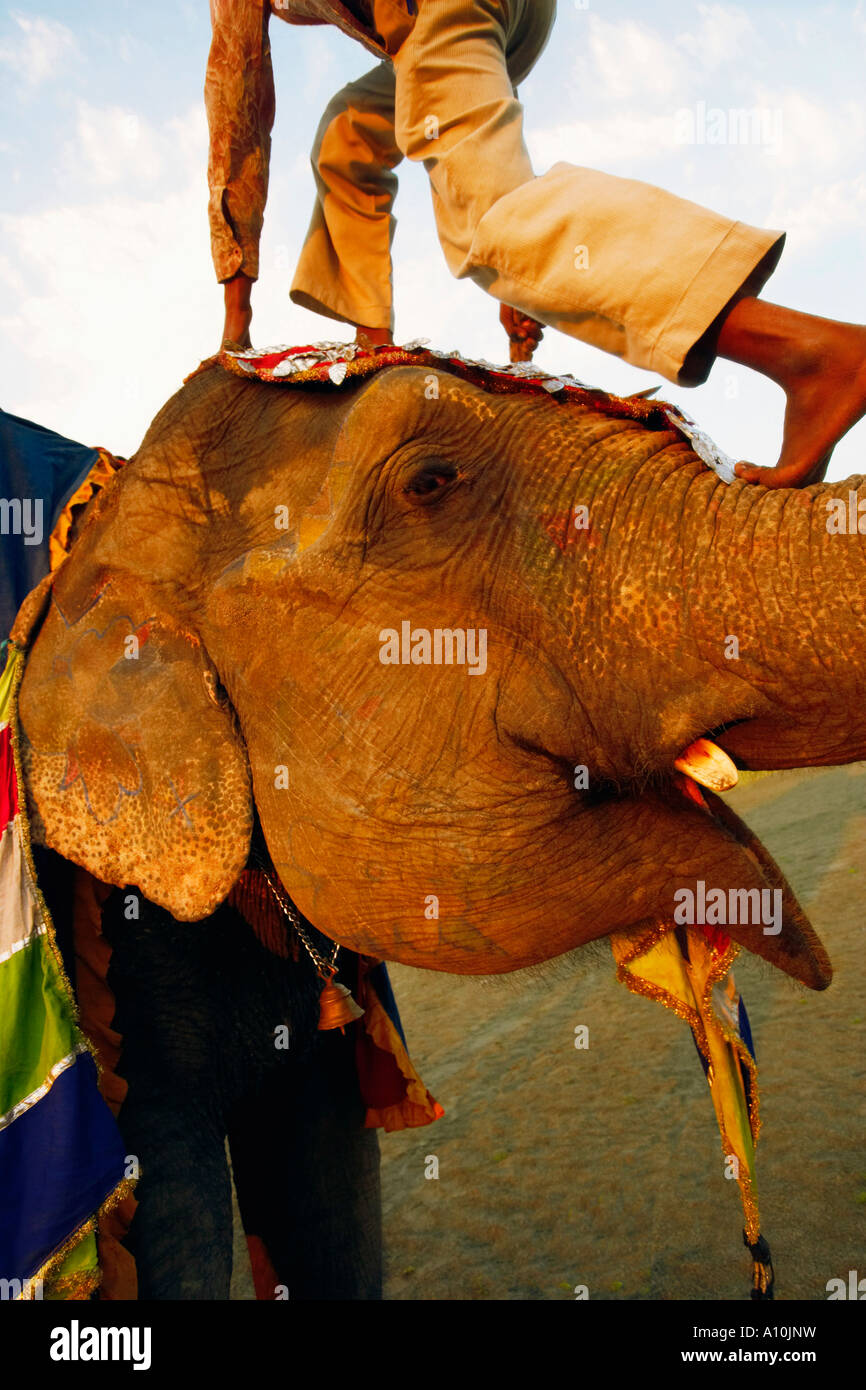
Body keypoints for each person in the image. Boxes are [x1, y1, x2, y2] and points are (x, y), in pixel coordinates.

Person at [205, 0, 866, 487]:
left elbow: (238, 114)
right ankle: (374, 356)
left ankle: (810, 356)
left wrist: (236, 328)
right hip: (499, 22)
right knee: (347, 137)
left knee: (490, 223)